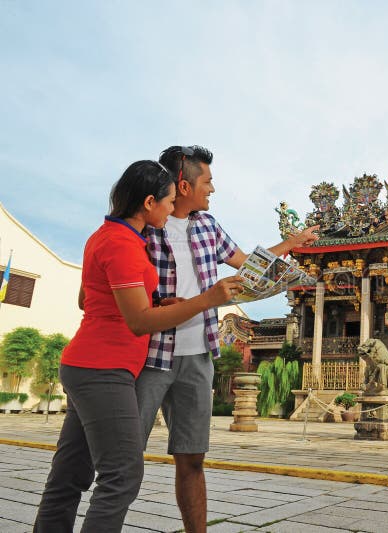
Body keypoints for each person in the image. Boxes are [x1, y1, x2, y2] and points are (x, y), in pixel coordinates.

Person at [34, 161, 244, 533]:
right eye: (166, 202)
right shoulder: (124, 245)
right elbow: (139, 322)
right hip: (104, 369)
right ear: (149, 202)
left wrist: (154, 300)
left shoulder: (113, 236)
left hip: (90, 363)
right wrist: (206, 300)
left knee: (71, 474)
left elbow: (90, 298)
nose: (170, 209)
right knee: (122, 475)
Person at [136, 145, 318, 532]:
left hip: (199, 352)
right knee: (125, 454)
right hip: (149, 353)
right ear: (183, 185)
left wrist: (290, 245)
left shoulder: (208, 225)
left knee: (192, 458)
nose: (212, 189)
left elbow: (246, 264)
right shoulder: (146, 224)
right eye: (207, 181)